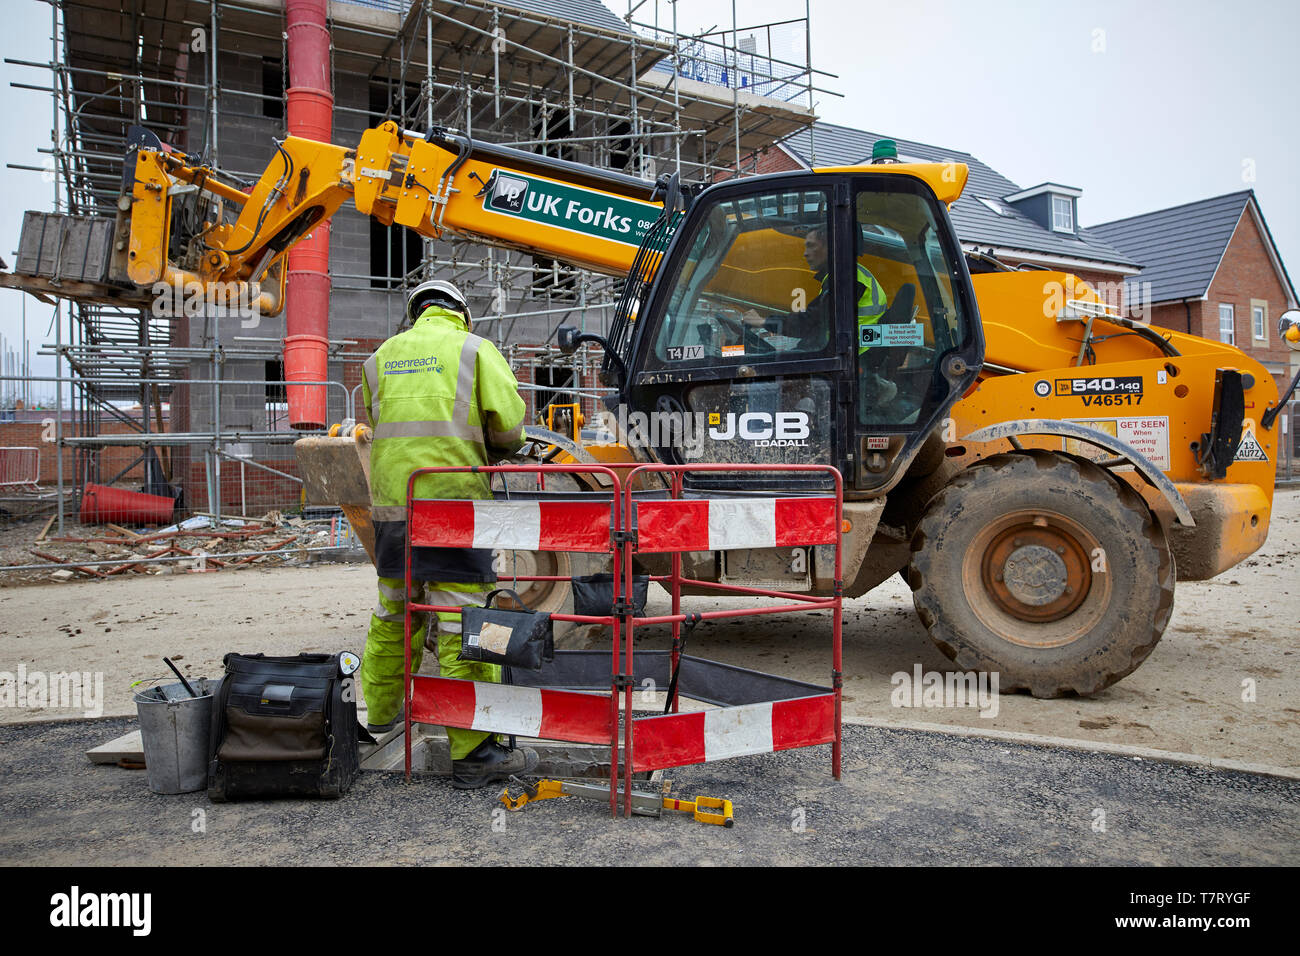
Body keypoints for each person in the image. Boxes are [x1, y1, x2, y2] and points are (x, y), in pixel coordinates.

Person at [359, 279, 538, 790]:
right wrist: (498, 447)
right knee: (464, 627)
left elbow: (378, 422)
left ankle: (380, 719)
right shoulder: (476, 351)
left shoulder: (380, 357)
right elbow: (507, 430)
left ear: (416, 313)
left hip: (394, 512)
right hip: (455, 511)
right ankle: (473, 749)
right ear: (461, 312)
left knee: (394, 614)